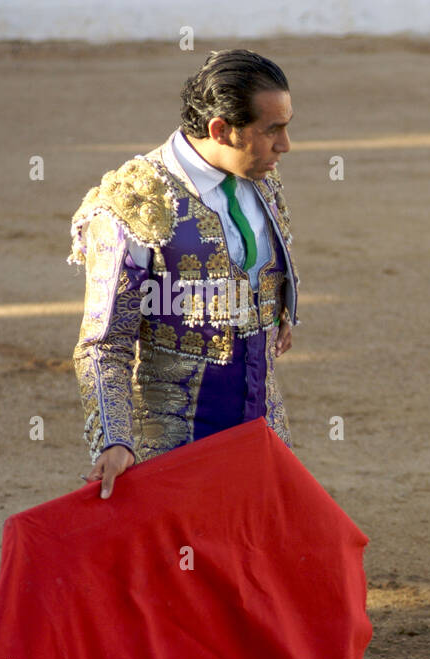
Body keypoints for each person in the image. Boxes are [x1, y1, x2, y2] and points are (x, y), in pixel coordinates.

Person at [69, 49, 299, 499]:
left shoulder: (261, 179)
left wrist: (276, 316)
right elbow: (105, 343)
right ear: (220, 129)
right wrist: (115, 439)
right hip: (175, 445)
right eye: (272, 130)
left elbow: (266, 283)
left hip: (264, 428)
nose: (285, 145)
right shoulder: (135, 203)